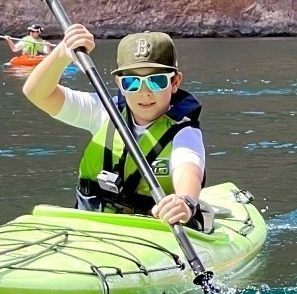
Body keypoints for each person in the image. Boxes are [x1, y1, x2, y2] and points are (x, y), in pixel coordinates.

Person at [22, 26, 206, 229]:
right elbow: (37, 93)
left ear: (174, 82)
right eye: (131, 82)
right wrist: (62, 53)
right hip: (92, 226)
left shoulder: (184, 132)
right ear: (119, 84)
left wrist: (185, 201)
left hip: (153, 232)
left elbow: (189, 170)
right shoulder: (102, 110)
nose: (144, 92)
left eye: (156, 81)